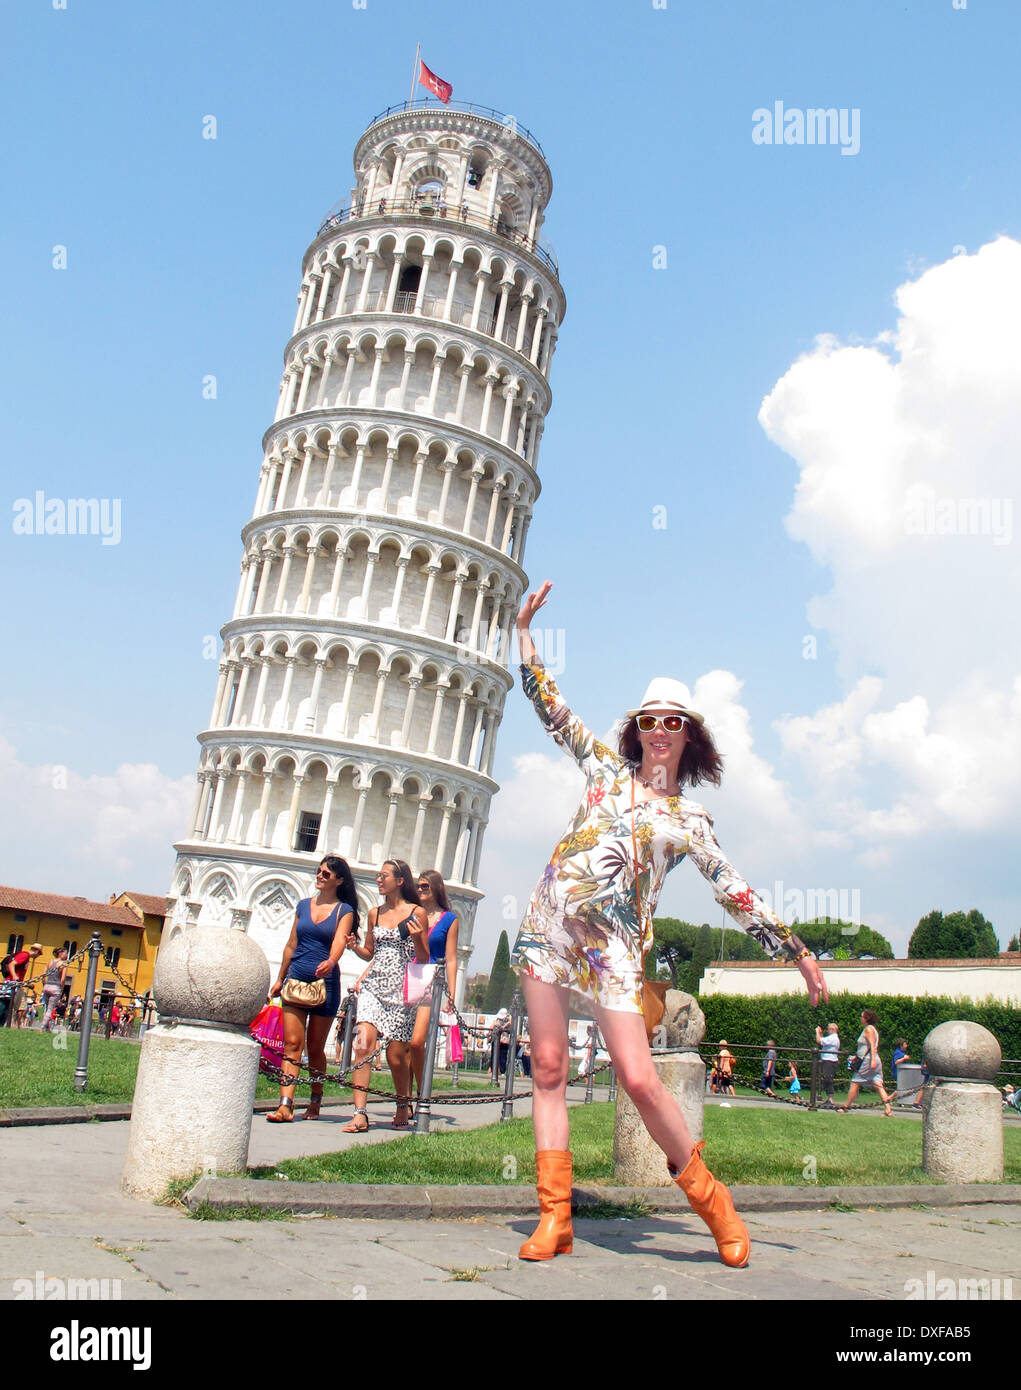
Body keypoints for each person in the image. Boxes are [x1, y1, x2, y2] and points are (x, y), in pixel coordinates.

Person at [510, 580, 828, 1266]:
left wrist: (795, 950)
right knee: (546, 1066)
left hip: (615, 949)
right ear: (635, 730)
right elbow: (551, 708)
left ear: (688, 736)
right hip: (549, 927)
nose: (658, 731)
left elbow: (732, 889)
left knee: (638, 1076)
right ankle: (553, 1217)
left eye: (671, 722)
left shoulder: (689, 821)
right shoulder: (600, 767)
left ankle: (714, 1205)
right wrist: (526, 637)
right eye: (648, 720)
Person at [266, 856, 360, 1123]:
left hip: (324, 985)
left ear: (339, 881)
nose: (320, 876)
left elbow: (340, 941)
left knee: (315, 1047)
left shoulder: (344, 911)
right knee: (292, 1044)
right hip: (296, 979)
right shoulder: (303, 906)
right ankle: (285, 1105)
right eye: (319, 872)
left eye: (326, 874)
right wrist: (279, 978)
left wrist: (331, 961)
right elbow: (291, 944)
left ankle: (315, 1099)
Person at [343, 860, 428, 1133]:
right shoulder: (374, 913)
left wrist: (416, 940)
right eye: (378, 876)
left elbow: (423, 958)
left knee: (395, 1056)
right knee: (362, 1043)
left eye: (384, 876)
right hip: (374, 986)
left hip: (402, 989)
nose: (379, 880)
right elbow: (371, 951)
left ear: (400, 881)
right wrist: (355, 947)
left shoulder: (417, 913)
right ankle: (359, 1113)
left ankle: (403, 1104)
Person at [408, 869, 459, 1100]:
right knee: (402, 1045)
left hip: (432, 983)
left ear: (437, 888)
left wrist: (452, 993)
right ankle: (404, 1100)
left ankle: (422, 1091)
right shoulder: (411, 914)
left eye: (425, 886)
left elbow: (451, 958)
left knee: (417, 1042)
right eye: (418, 886)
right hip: (409, 978)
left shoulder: (449, 919)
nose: (420, 890)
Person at [838, 1009, 894, 1117]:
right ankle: (888, 1109)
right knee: (878, 1085)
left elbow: (872, 1045)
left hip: (868, 1060)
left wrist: (872, 1060)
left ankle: (846, 1107)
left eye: (862, 1016)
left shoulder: (868, 1029)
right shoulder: (872, 1029)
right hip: (872, 1059)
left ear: (866, 1018)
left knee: (855, 1082)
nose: (860, 1018)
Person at [41, 948, 69, 1031]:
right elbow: (63, 979)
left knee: (46, 1009)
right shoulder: (63, 964)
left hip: (47, 986)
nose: (67, 955)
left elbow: (43, 975)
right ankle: (42, 1028)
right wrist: (61, 989)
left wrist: (45, 984)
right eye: (66, 953)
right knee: (50, 1009)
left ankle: (47, 1027)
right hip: (55, 987)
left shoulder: (49, 962)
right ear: (61, 954)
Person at [816, 1022, 841, 1107]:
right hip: (828, 1060)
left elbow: (819, 1041)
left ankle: (831, 1099)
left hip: (829, 1061)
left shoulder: (833, 1038)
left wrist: (817, 1032)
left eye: (828, 1028)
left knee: (828, 1079)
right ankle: (829, 1098)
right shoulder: (831, 1038)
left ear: (832, 1029)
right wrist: (821, 1033)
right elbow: (823, 1040)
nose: (827, 1030)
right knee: (827, 1079)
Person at [488, 1009, 513, 1081]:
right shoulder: (496, 1020)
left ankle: (502, 1071)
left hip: (504, 1042)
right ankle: (493, 1070)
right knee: (494, 1056)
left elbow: (510, 1025)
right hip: (496, 1040)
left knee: (503, 1057)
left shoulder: (509, 1021)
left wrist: (505, 1025)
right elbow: (491, 1027)